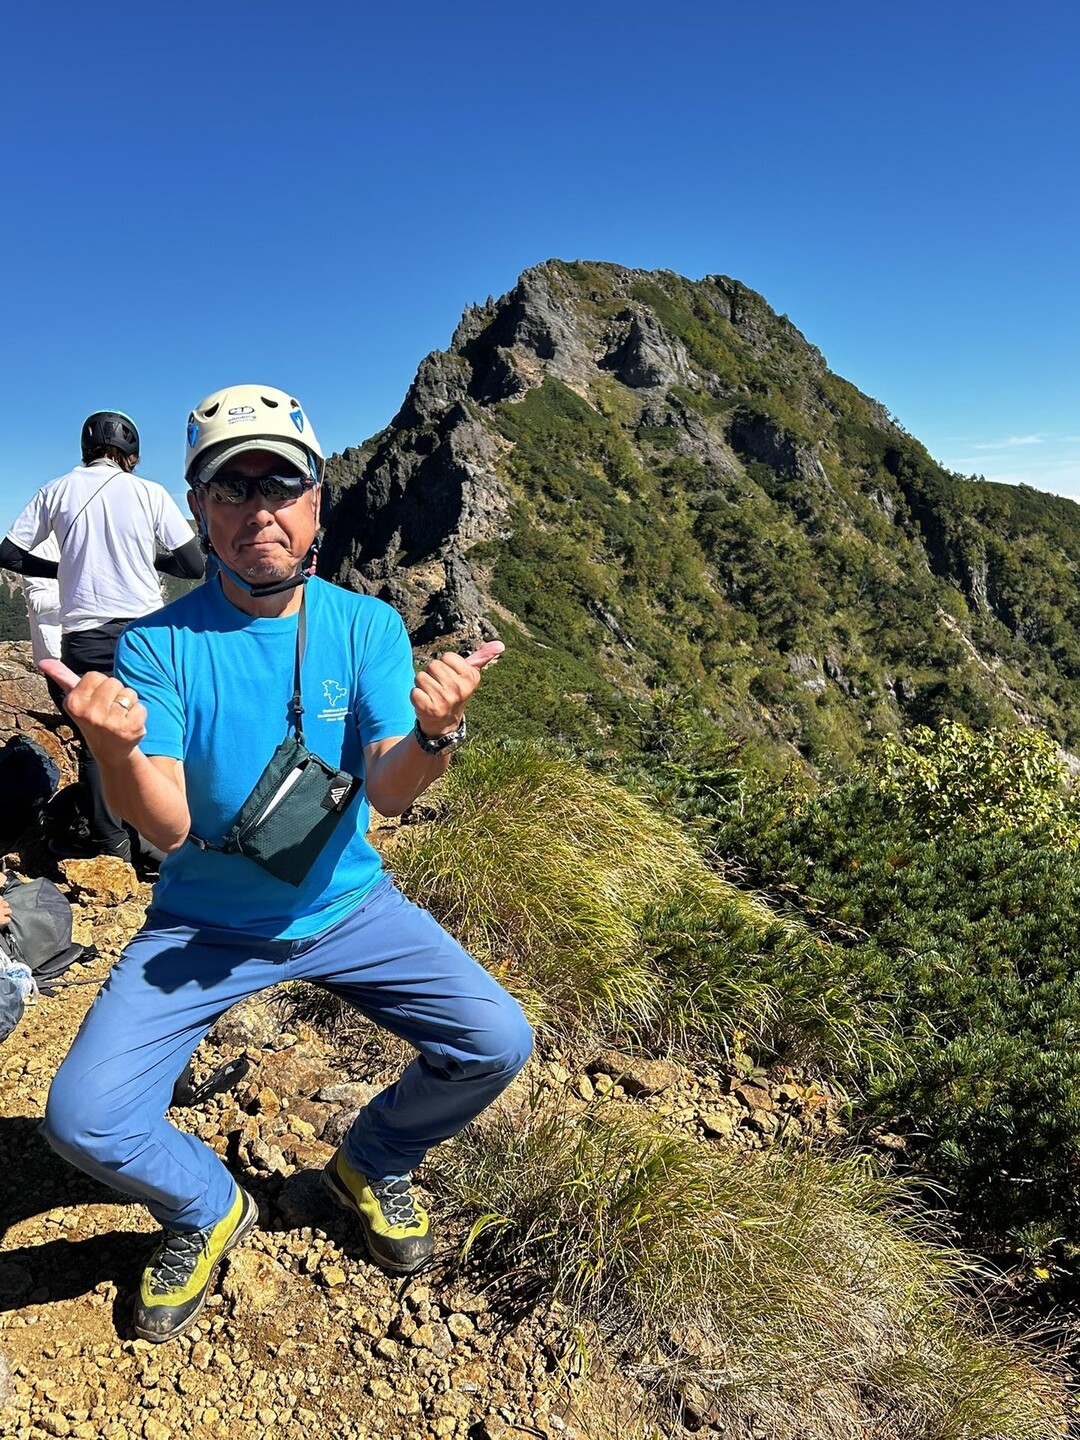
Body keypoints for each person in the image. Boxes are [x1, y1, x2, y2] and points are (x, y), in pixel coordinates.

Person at [39, 384, 532, 1345]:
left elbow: (388, 793)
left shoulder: (366, 627)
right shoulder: (160, 644)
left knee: (496, 1041)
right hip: (203, 927)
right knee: (82, 1122)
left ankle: (370, 1162)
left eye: (282, 484)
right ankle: (204, 1206)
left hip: (348, 906)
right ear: (200, 513)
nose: (259, 508)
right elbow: (172, 829)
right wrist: (111, 753)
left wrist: (437, 732)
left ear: (316, 504)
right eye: (232, 488)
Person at [0, 410, 205, 861]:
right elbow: (194, 565)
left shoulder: (54, 490)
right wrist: (147, 561)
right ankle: (160, 841)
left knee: (98, 740)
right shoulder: (149, 492)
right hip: (148, 634)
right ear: (130, 456)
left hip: (83, 635)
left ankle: (109, 843)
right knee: (157, 734)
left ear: (85, 450)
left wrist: (61, 569)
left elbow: (9, 554)